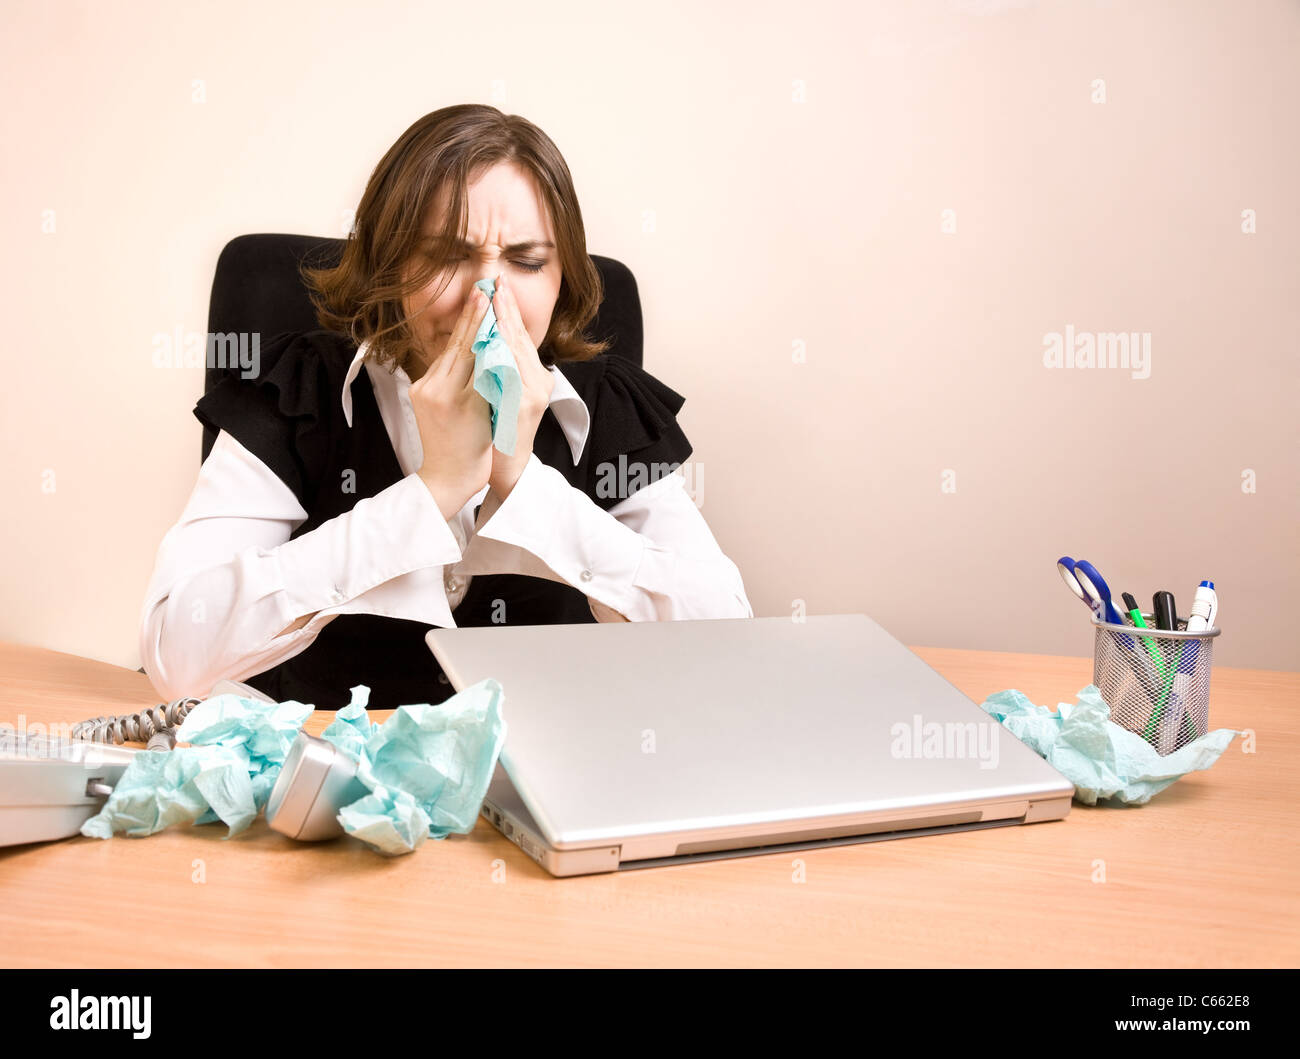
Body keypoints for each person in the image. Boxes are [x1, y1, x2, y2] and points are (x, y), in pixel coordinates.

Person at [139, 104, 752, 709]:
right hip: (324, 781)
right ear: (390, 263)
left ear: (562, 276)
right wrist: (432, 493)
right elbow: (176, 660)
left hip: (547, 786)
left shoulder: (607, 408)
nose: (485, 296)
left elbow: (729, 643)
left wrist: (524, 486)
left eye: (527, 261)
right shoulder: (295, 391)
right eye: (446, 257)